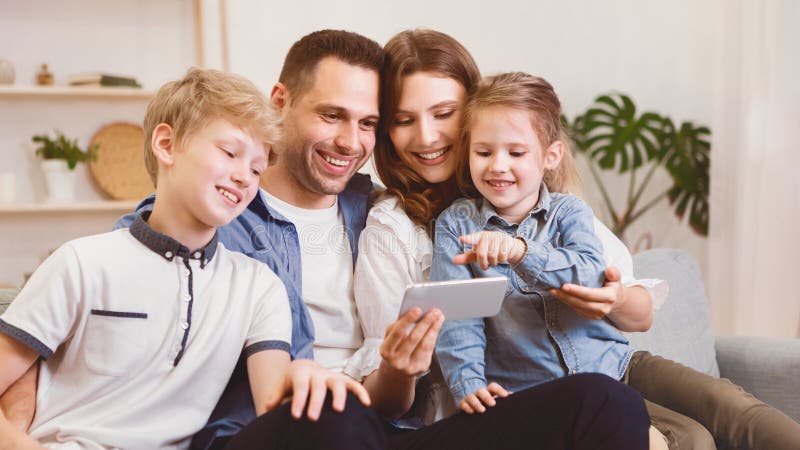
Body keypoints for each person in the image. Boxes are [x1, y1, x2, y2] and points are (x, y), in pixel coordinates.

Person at [0, 30, 650, 450]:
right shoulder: (227, 217)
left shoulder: (383, 211)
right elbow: (142, 250)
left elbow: (618, 289)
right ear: (282, 102)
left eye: (367, 122)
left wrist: (397, 366)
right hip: (289, 428)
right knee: (332, 413)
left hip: (385, 425)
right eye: (333, 115)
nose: (351, 141)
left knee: (605, 403)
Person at [0, 68, 369, 449]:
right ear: (166, 144)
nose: (245, 177)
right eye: (230, 153)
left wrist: (305, 374)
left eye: (257, 169)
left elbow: (275, 408)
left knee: (339, 414)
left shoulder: (259, 287)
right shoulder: (81, 263)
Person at [432, 71, 800, 450]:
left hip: (618, 365)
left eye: (516, 152)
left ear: (550, 156)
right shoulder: (457, 225)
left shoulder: (568, 212)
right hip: (547, 394)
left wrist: (521, 252)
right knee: (692, 439)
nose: (497, 165)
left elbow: (588, 270)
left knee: (731, 405)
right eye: (484, 152)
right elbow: (457, 315)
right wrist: (467, 382)